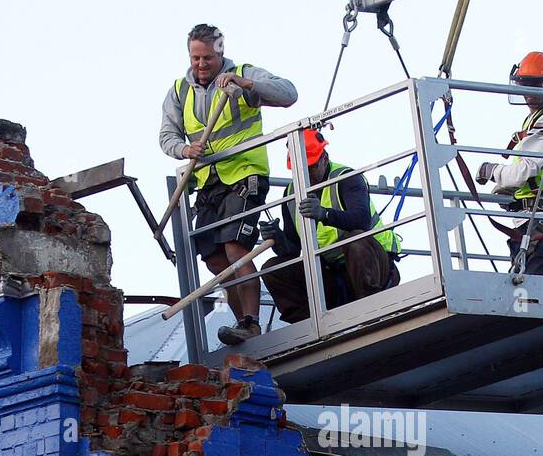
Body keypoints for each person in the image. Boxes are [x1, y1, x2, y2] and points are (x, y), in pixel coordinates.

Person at [160, 23, 297, 344]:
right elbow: (167, 136)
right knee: (214, 258)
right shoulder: (180, 91)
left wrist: (245, 83)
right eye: (195, 58)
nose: (201, 64)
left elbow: (289, 94)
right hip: (208, 182)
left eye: (207, 58)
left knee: (237, 248)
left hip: (244, 174)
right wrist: (184, 149)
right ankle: (241, 324)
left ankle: (251, 321)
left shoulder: (242, 75)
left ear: (220, 54)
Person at [259, 128, 401, 324]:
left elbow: (361, 220)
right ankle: (307, 325)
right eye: (301, 169)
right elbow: (292, 250)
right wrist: (277, 238)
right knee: (272, 268)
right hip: (332, 275)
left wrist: (324, 214)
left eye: (312, 166)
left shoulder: (346, 178)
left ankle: (370, 311)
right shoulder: (291, 193)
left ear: (324, 158)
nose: (307, 173)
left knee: (355, 240)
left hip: (373, 267)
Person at [476, 50, 543, 277]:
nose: (529, 93)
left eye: (535, 85)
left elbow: (523, 171)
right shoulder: (536, 118)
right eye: (525, 84)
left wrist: (491, 171)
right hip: (533, 214)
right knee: (530, 281)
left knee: (536, 285)